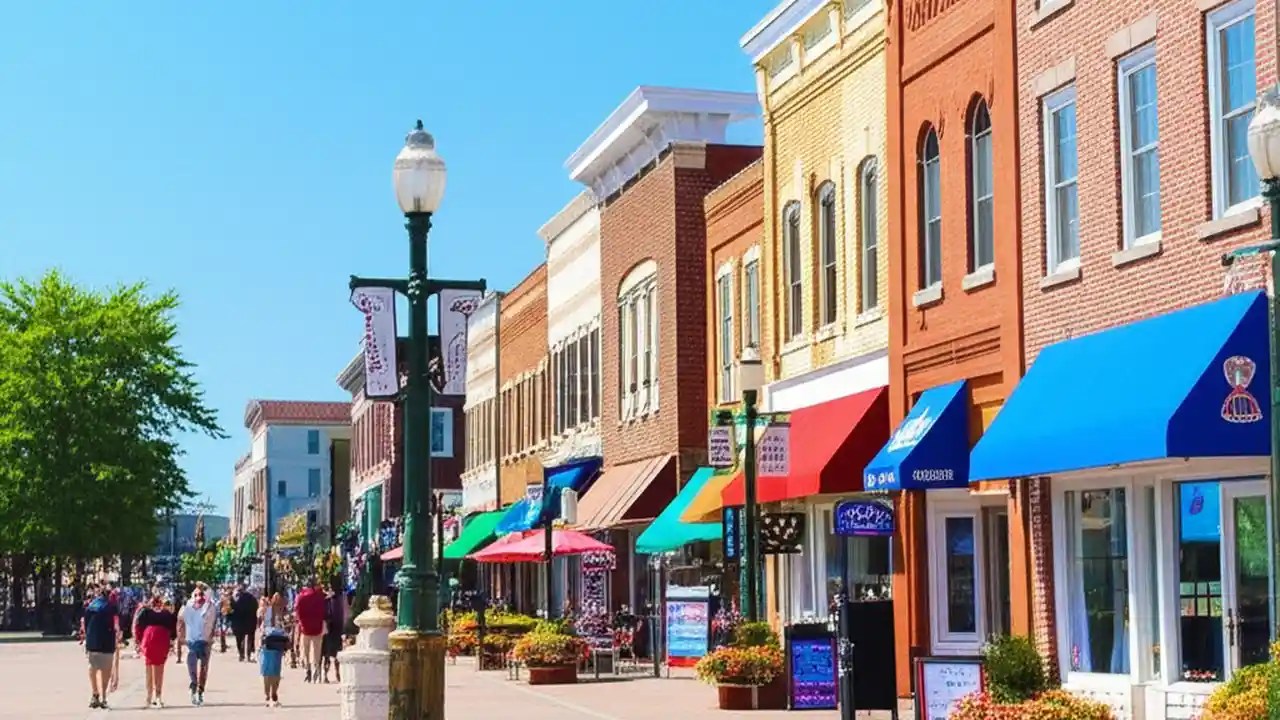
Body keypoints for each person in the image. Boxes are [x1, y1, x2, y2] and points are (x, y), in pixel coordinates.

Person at [134, 593, 177, 708]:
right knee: (159, 668)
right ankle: (157, 696)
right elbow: (173, 629)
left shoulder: (145, 612)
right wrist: (172, 642)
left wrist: (138, 641)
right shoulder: (167, 614)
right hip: (162, 640)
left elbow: (138, 626)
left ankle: (149, 696)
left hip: (149, 640)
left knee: (149, 668)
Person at [81, 583, 120, 709]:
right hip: (107, 642)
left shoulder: (90, 606)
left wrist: (87, 637)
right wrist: (118, 638)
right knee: (106, 670)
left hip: (93, 642)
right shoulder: (112, 607)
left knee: (92, 668)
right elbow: (116, 625)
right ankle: (103, 696)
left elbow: (85, 624)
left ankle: (95, 693)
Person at [176, 582, 217, 706]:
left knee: (203, 667)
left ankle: (200, 690)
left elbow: (213, 622)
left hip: (205, 641)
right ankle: (194, 685)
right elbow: (180, 620)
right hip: (192, 641)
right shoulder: (188, 606)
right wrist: (180, 636)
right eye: (196, 594)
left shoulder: (209, 606)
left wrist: (211, 636)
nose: (199, 597)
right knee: (192, 665)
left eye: (201, 594)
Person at [258, 592, 288, 708]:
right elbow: (260, 626)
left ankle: (273, 693)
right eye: (275, 599)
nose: (277, 602)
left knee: (275, 670)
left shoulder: (283, 613)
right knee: (267, 671)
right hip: (267, 643)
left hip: (277, 644)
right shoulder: (265, 610)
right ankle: (267, 694)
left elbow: (287, 628)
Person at [293, 578, 326, 683]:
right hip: (318, 627)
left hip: (305, 628)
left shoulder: (301, 596)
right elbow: (324, 610)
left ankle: (308, 669)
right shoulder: (320, 596)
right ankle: (316, 668)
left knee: (305, 650)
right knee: (317, 650)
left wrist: (301, 622)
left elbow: (297, 610)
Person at [321, 584, 345, 683]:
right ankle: (327, 674)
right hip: (331, 630)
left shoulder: (336, 600)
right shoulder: (335, 601)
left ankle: (335, 673)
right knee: (328, 654)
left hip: (334, 630)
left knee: (332, 654)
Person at [231, 584, 259, 662]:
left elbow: (232, 610)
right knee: (250, 638)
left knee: (239, 639)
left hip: (238, 622)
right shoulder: (252, 598)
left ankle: (241, 654)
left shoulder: (235, 599)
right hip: (250, 621)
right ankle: (248, 655)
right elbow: (255, 608)